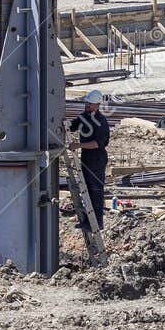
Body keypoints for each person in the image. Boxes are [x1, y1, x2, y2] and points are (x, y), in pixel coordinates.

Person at [71, 89, 112, 231]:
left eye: (90, 103)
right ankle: (88, 221)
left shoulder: (101, 122)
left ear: (97, 105)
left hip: (97, 159)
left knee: (95, 190)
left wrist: (78, 145)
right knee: (86, 190)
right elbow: (71, 125)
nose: (87, 105)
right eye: (87, 102)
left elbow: (97, 143)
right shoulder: (84, 117)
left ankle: (97, 222)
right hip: (87, 158)